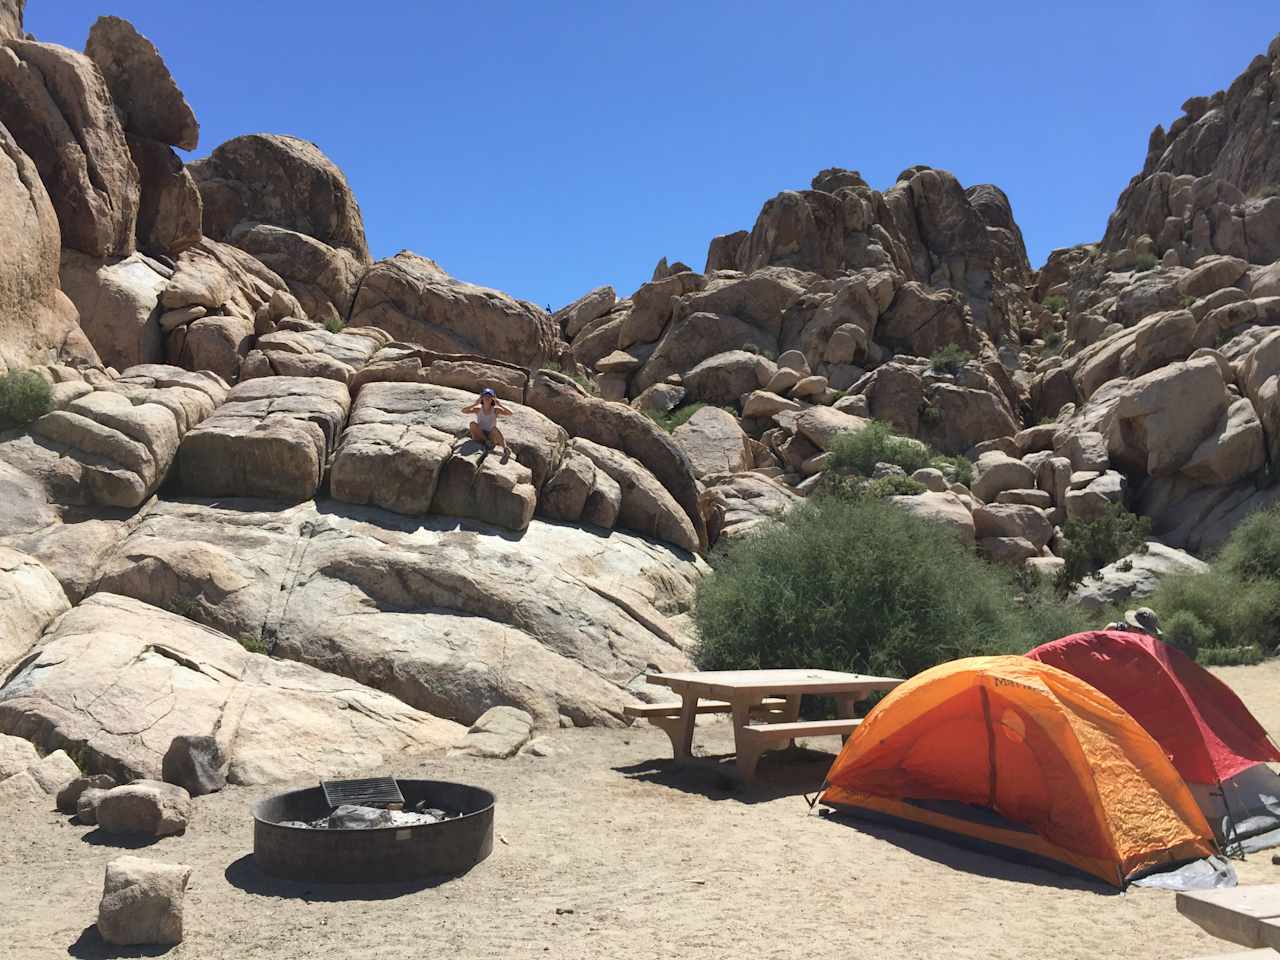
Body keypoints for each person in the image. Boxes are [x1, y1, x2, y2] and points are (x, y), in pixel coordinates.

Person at [462, 388, 513, 461]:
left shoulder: (495, 410)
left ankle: (505, 449)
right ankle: (486, 441)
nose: (487, 398)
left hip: (491, 436)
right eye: (485, 396)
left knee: (494, 429)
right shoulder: (478, 409)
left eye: (489, 396)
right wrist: (475, 404)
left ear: (493, 399)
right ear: (481, 398)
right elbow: (463, 411)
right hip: (479, 435)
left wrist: (500, 405)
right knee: (472, 424)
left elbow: (510, 413)